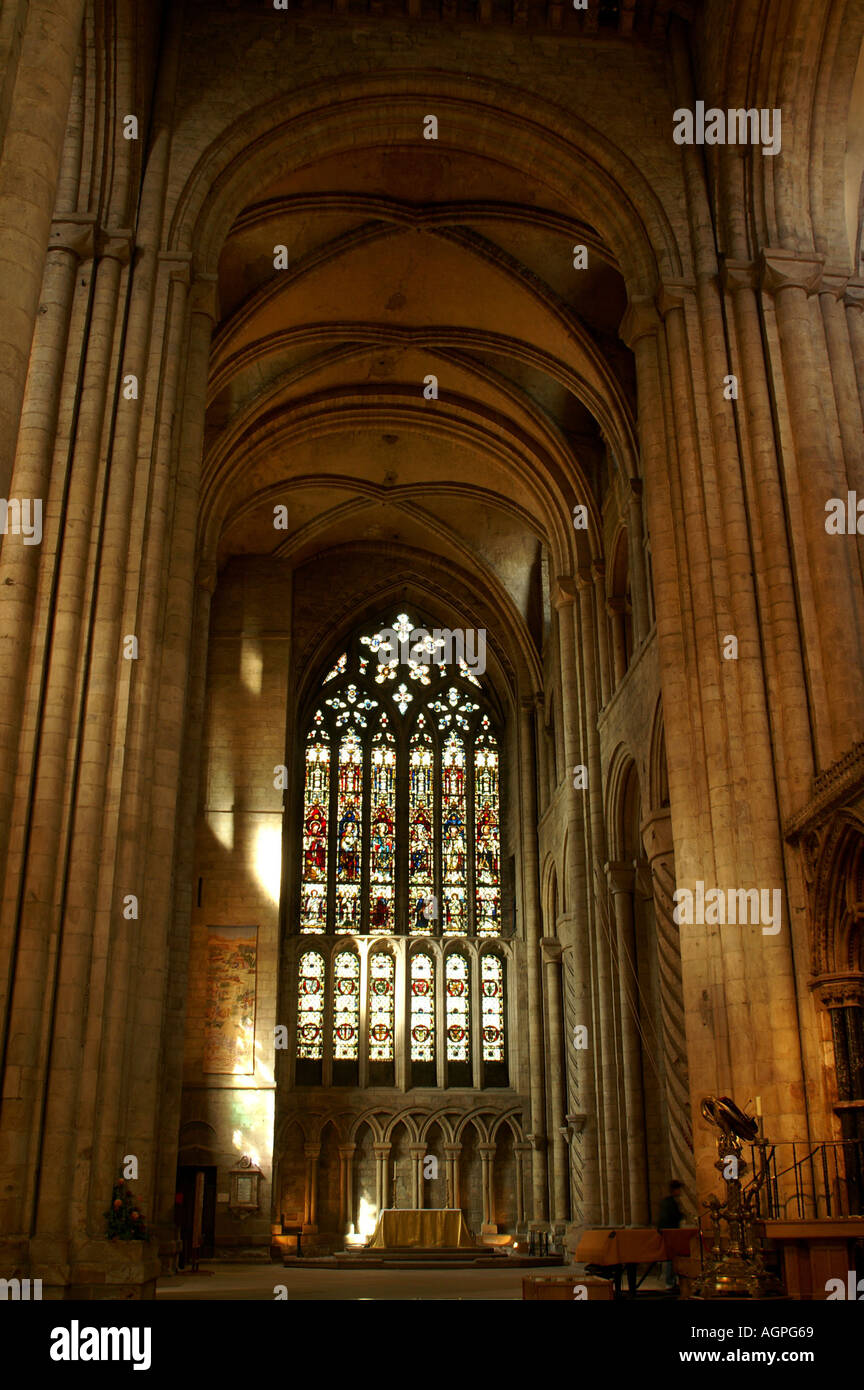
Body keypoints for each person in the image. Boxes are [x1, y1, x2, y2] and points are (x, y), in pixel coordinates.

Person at [657, 1179, 685, 1291]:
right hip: (670, 1233)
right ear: (675, 1190)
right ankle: (669, 1281)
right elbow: (672, 1217)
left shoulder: (667, 1201)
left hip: (668, 1233)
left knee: (671, 1258)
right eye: (679, 1189)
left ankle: (671, 1280)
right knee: (671, 1259)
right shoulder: (670, 1202)